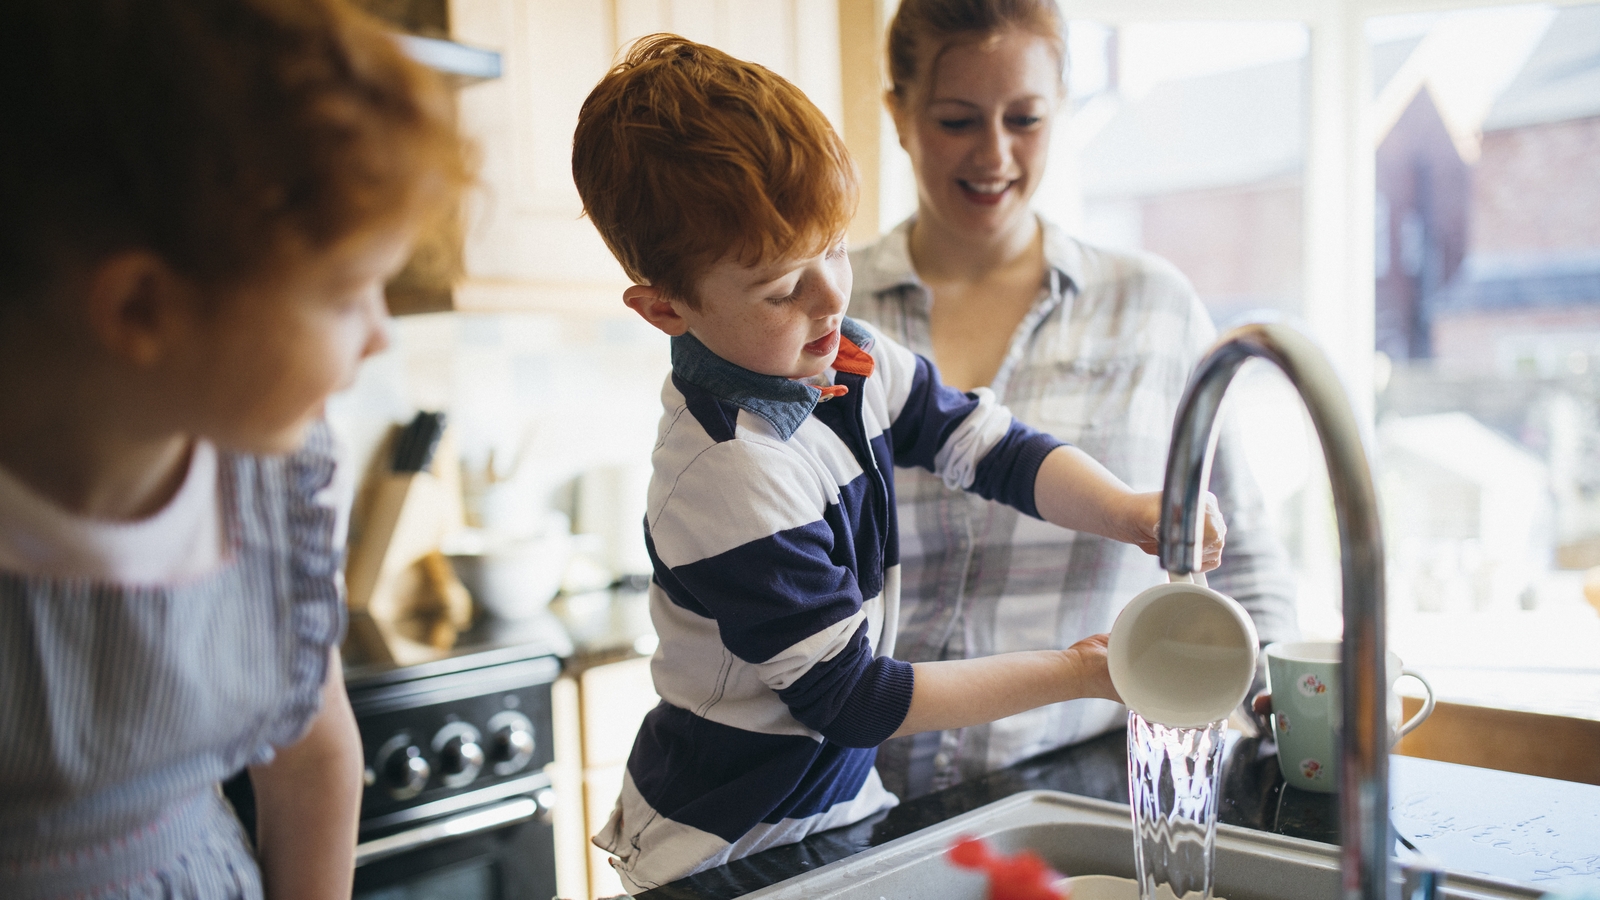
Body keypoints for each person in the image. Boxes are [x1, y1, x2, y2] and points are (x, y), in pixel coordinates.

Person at [570, 34, 1225, 894]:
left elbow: (992, 447)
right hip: (724, 847)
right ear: (665, 308)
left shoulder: (843, 358)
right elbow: (856, 699)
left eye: (834, 249)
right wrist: (1078, 674)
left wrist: (1129, 510)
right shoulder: (727, 475)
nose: (830, 296)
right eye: (780, 286)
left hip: (835, 815)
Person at [0, 1, 470, 898]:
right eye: (346, 296)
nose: (380, 337)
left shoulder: (273, 481)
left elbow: (312, 754)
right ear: (142, 310)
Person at [848, 0, 1300, 801]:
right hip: (860, 795)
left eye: (1025, 119)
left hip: (1093, 783)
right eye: (957, 120)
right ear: (899, 113)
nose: (995, 154)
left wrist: (1289, 724)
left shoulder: (1153, 307)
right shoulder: (828, 317)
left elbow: (1244, 557)